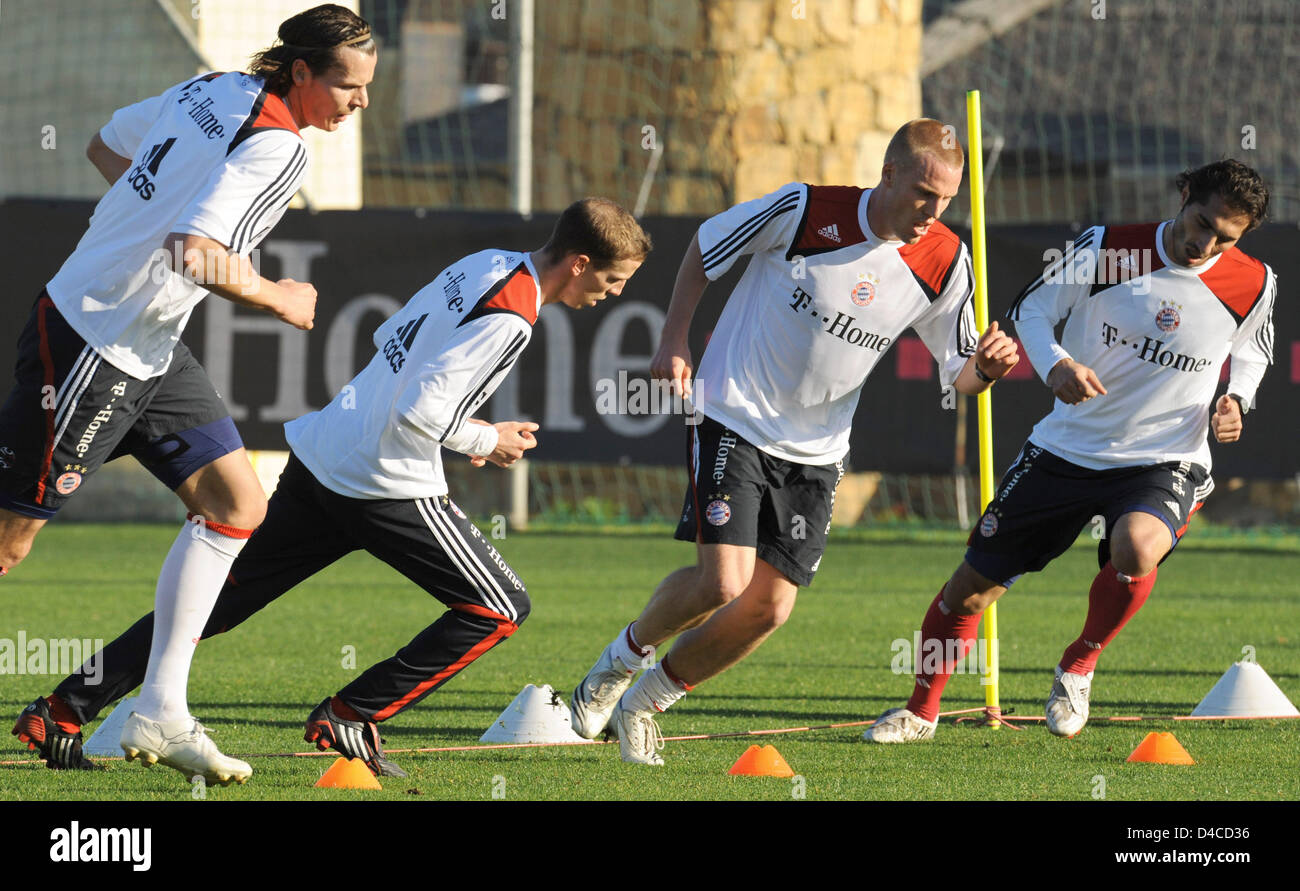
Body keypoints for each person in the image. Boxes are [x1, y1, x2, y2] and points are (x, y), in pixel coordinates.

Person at [20, 198, 651, 780]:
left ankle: (63, 709)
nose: (613, 294)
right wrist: (490, 441)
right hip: (382, 483)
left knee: (217, 599)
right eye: (613, 280)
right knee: (500, 608)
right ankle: (354, 712)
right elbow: (423, 414)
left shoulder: (488, 264)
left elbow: (390, 337)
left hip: (325, 450)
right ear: (579, 263)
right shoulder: (511, 319)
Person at [567, 119, 1021, 765]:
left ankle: (645, 703)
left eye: (946, 198)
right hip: (734, 411)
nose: (933, 210)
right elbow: (706, 244)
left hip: (818, 450)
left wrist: (990, 368)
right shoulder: (806, 208)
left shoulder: (946, 259)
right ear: (888, 173)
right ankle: (616, 665)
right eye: (923, 192)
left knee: (768, 608)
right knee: (723, 580)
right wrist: (674, 340)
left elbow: (963, 373)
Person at [5, 4, 376, 784]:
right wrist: (280, 296)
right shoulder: (280, 144)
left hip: (147, 347)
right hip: (93, 342)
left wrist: (145, 222)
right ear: (302, 73)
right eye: (349, 86)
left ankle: (159, 707)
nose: (360, 102)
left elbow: (106, 143)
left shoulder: (214, 89)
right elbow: (194, 251)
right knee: (9, 542)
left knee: (237, 504)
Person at [865, 158, 1275, 743]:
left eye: (1223, 237)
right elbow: (1032, 309)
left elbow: (1254, 351)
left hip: (1166, 456)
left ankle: (1079, 663)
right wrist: (1055, 364)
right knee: (969, 590)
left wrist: (1237, 398)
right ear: (1183, 195)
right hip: (1068, 447)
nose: (1203, 242)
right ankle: (920, 712)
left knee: (1136, 548)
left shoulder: (1254, 282)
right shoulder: (1108, 248)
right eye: (1200, 221)